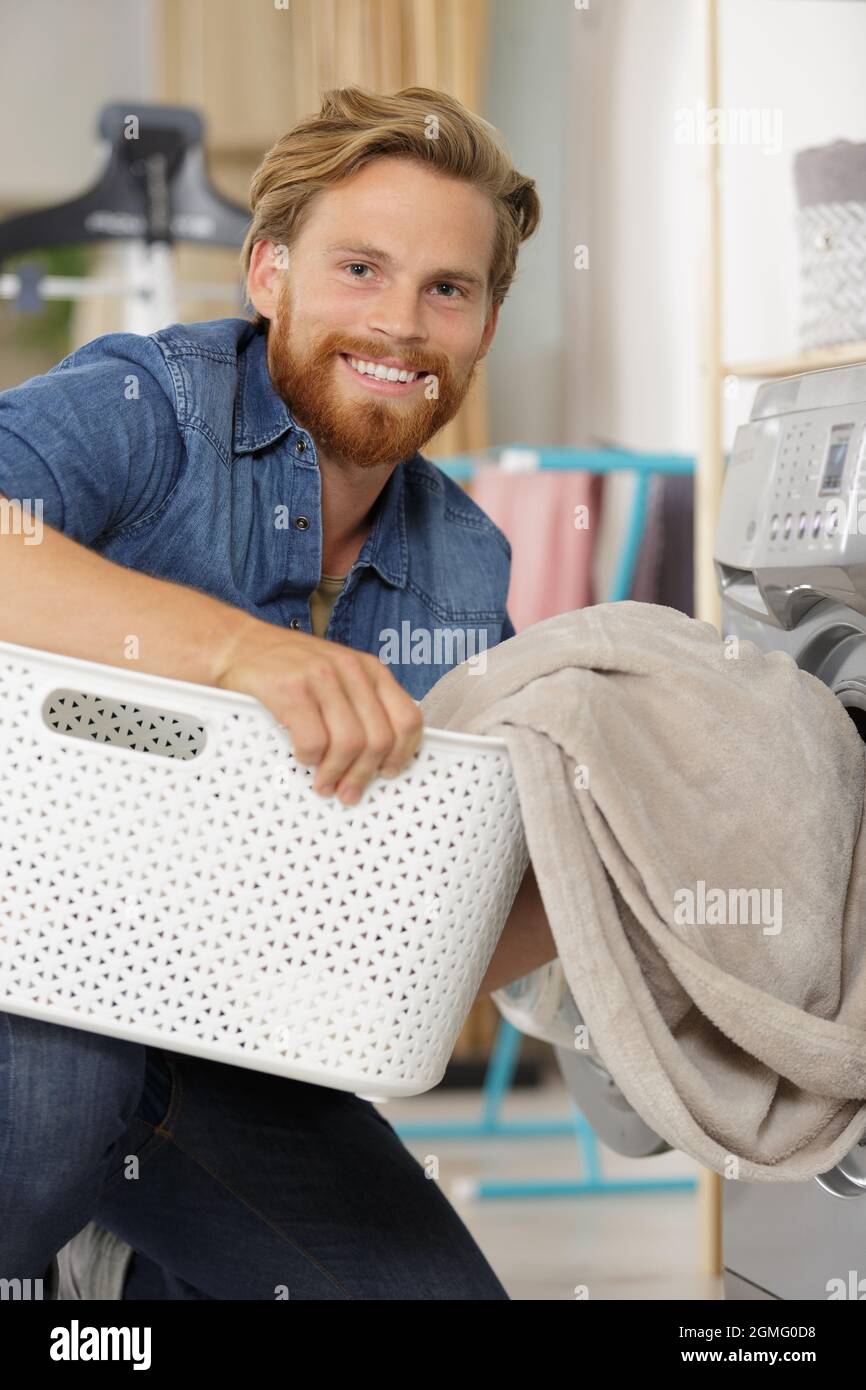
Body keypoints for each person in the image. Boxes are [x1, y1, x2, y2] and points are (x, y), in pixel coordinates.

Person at [0, 85, 554, 1300]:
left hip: (221, 1053)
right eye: (360, 268)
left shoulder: (462, 564)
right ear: (268, 274)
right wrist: (237, 653)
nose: (400, 323)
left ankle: (124, 1267)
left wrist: (597, 888)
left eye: (446, 290)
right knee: (53, 1102)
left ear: (483, 326)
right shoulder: (142, 408)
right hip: (25, 970)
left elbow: (408, 917)